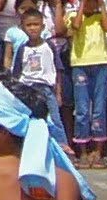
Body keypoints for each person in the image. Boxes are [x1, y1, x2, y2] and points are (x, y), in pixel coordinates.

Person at [8, 8, 71, 152]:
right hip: (27, 90)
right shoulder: (22, 49)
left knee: (54, 120)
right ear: (22, 28)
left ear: (42, 27)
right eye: (29, 25)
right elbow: (17, 73)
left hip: (46, 89)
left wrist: (58, 92)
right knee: (28, 121)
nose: (32, 28)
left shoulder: (49, 46)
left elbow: (58, 69)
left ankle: (63, 149)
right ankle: (27, 150)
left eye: (36, 24)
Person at [66, 0, 107, 169]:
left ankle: (98, 151)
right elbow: (75, 27)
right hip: (80, 64)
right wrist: (83, 4)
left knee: (99, 108)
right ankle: (83, 151)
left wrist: (101, 4)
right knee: (83, 109)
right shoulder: (73, 14)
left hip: (100, 63)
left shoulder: (101, 15)